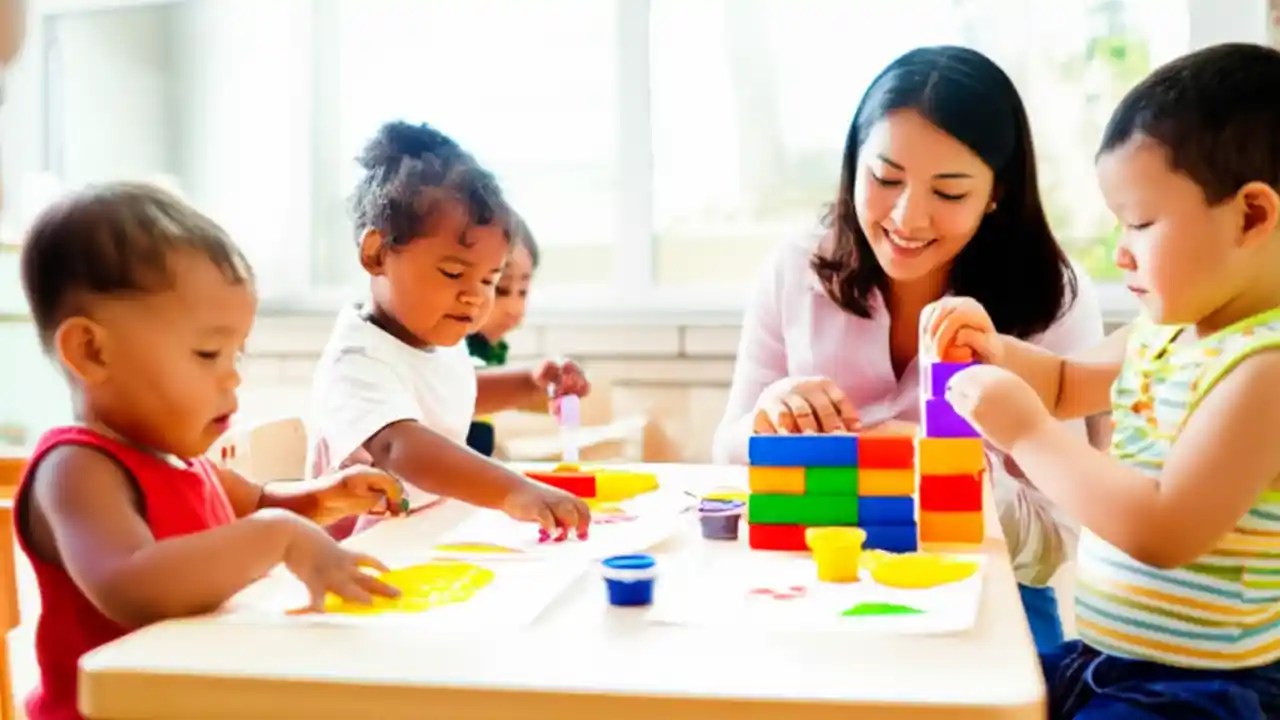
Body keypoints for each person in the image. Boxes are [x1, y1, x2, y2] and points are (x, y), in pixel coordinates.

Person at [926, 42, 1280, 720]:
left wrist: (1027, 434)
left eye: (1141, 223)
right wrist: (992, 348)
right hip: (1107, 660)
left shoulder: (1264, 370)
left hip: (1199, 692)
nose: (1121, 250)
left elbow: (1163, 528)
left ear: (1251, 215)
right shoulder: (1166, 332)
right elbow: (1063, 383)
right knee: (965, 689)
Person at [711, 45, 1107, 650]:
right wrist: (771, 418)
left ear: (996, 193)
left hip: (988, 599)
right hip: (818, 583)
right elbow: (727, 454)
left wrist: (953, 476)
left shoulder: (1052, 296)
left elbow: (1055, 545)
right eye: (885, 178)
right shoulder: (797, 268)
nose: (907, 216)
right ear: (852, 164)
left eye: (948, 193)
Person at [16, 184, 404, 720]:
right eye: (206, 353)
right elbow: (131, 584)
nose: (232, 375)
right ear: (91, 350)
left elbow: (261, 502)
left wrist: (319, 500)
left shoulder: (182, 460)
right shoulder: (77, 471)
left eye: (236, 351)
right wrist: (279, 537)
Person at [306, 120, 590, 539]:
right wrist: (513, 491)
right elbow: (400, 445)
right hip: (359, 556)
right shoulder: (356, 360)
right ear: (377, 253)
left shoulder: (426, 340)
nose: (475, 297)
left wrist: (530, 383)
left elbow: (447, 397)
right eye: (454, 272)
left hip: (423, 537)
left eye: (489, 279)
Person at [466, 213, 541, 456]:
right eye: (502, 289)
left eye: (523, 291)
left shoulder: (491, 349)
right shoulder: (454, 349)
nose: (514, 308)